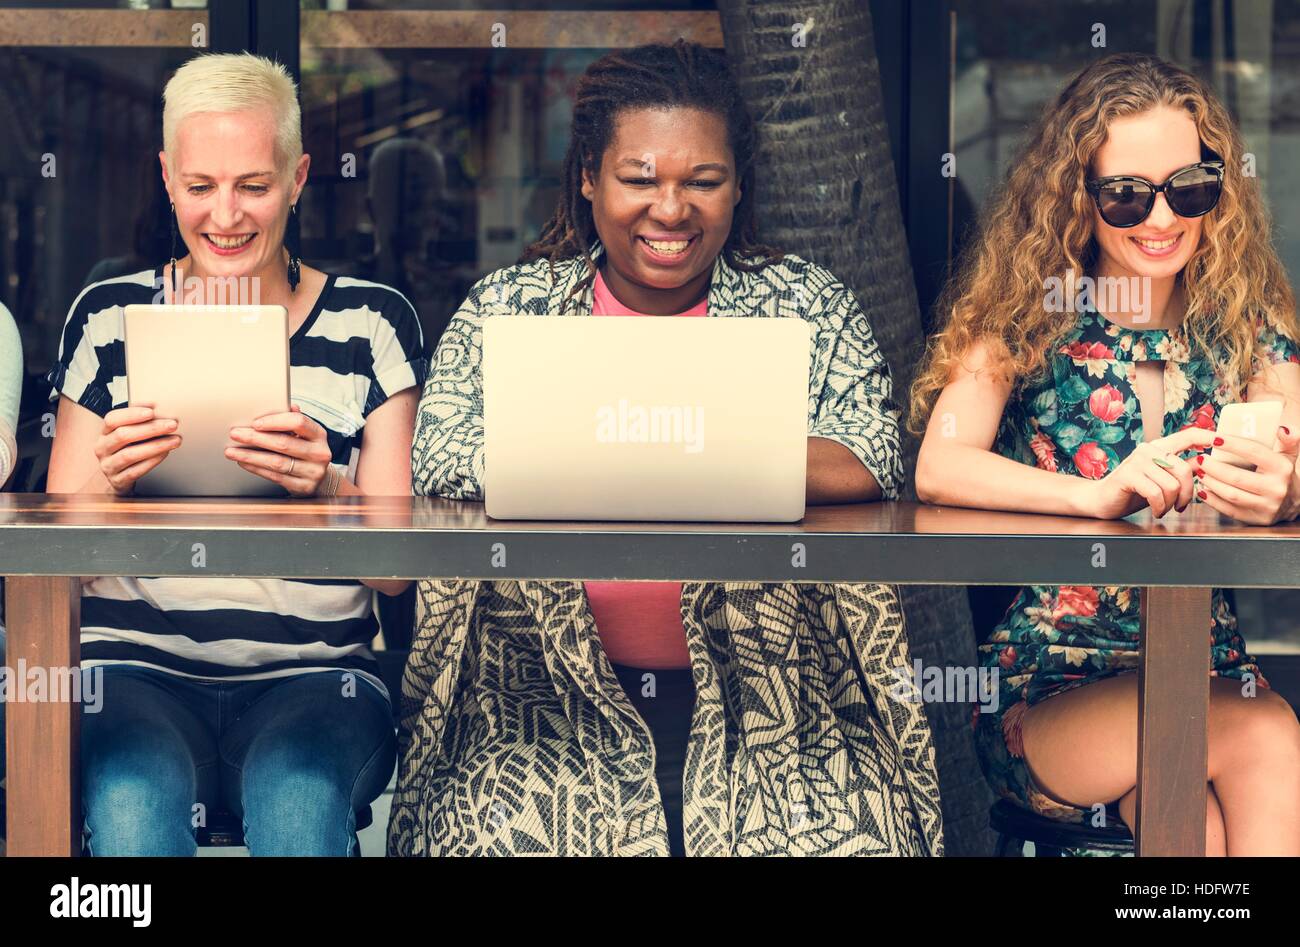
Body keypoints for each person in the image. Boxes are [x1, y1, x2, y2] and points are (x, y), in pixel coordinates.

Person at [389, 40, 943, 857]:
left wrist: (625, 448)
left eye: (703, 181)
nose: (671, 208)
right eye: (639, 178)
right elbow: (444, 452)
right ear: (589, 176)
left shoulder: (805, 304)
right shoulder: (512, 308)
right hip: (538, 709)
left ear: (739, 185)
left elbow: (867, 456)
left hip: (782, 708)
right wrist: (712, 453)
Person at [911, 53, 1300, 855]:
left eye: (1187, 187)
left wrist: (1288, 490)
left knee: (1197, 821)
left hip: (1208, 662)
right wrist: (1091, 496)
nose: (1161, 220)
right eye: (1126, 194)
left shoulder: (1245, 316)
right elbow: (940, 466)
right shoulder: (1029, 309)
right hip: (1051, 687)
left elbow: (1295, 441)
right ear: (1075, 198)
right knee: (1266, 732)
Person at [44, 52, 427, 856]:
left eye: (254, 185)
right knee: (131, 806)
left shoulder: (372, 324)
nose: (226, 215)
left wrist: (327, 486)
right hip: (130, 668)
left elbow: (395, 570)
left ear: (298, 178)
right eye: (201, 186)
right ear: (167, 179)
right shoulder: (110, 316)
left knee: (297, 802)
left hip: (317, 675)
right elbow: (59, 560)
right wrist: (110, 483)